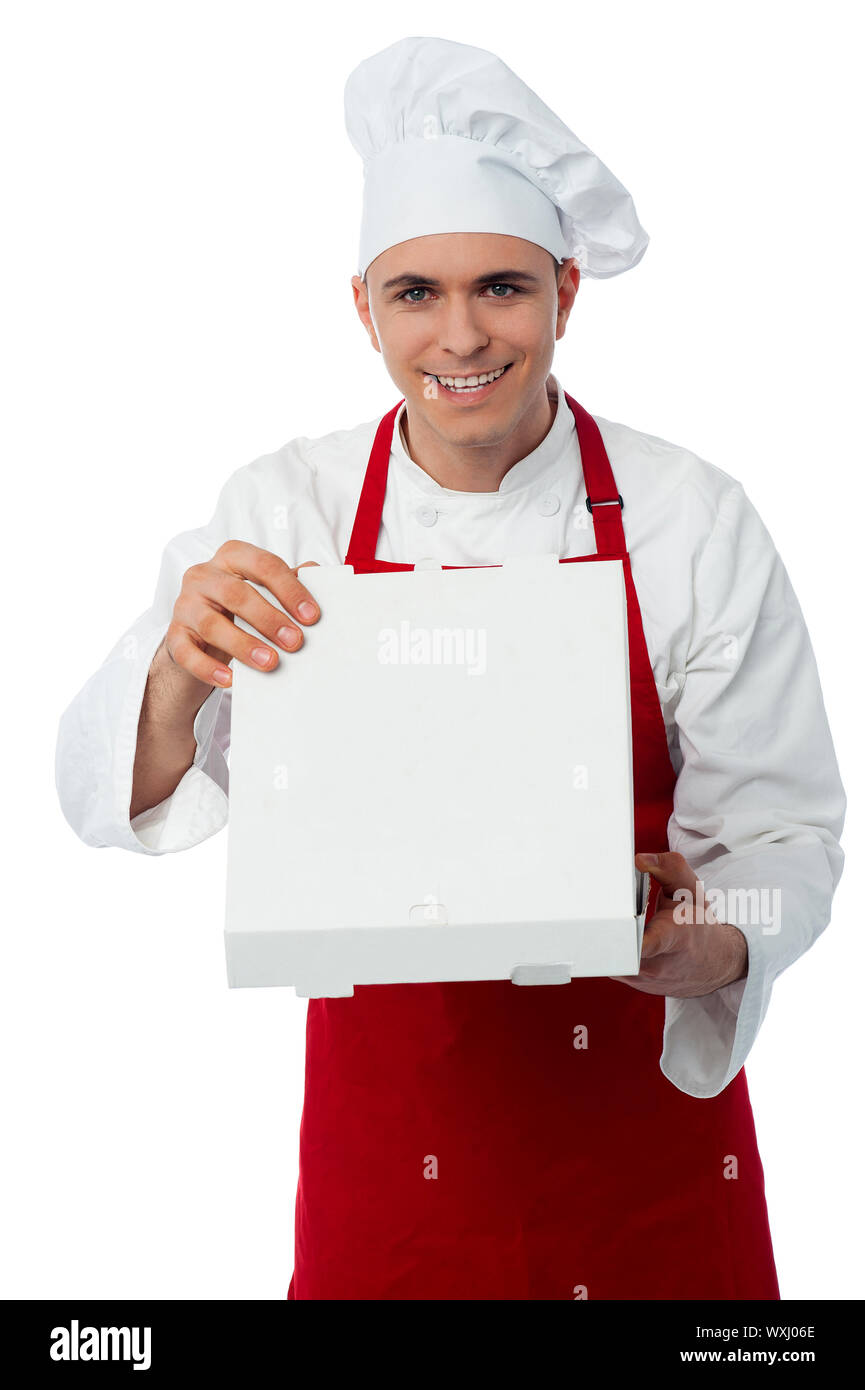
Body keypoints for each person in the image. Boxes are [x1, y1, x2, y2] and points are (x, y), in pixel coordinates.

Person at [55, 36, 846, 1300]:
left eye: (503, 288)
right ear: (361, 306)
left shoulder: (687, 516)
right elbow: (107, 798)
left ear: (566, 295)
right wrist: (173, 673)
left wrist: (712, 939)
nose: (462, 335)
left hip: (642, 1157)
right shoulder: (285, 507)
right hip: (390, 1161)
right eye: (415, 292)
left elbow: (790, 837)